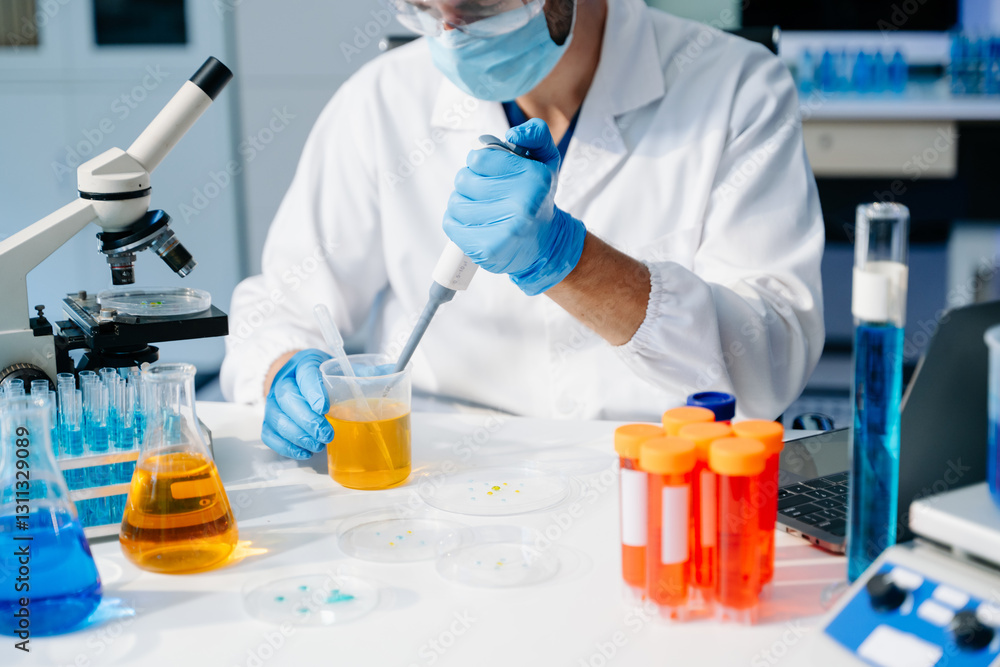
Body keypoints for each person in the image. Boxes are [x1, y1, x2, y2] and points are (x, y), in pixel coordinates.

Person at [220, 0, 825, 460]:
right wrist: (285, 369)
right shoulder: (380, 100)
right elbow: (280, 306)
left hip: (656, 470)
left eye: (480, 8)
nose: (451, 35)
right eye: (424, 8)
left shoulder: (738, 89)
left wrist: (571, 261)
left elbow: (769, 363)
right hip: (441, 473)